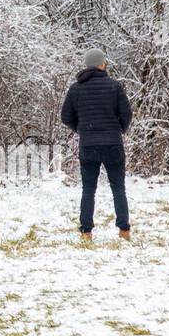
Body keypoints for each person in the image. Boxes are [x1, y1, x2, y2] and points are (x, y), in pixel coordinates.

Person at [60, 47, 133, 241]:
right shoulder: (114, 86)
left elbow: (65, 116)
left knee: (88, 189)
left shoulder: (76, 88)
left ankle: (86, 232)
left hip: (88, 145)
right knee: (118, 188)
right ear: (101, 64)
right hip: (112, 144)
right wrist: (118, 129)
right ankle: (124, 230)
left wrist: (82, 129)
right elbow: (126, 114)